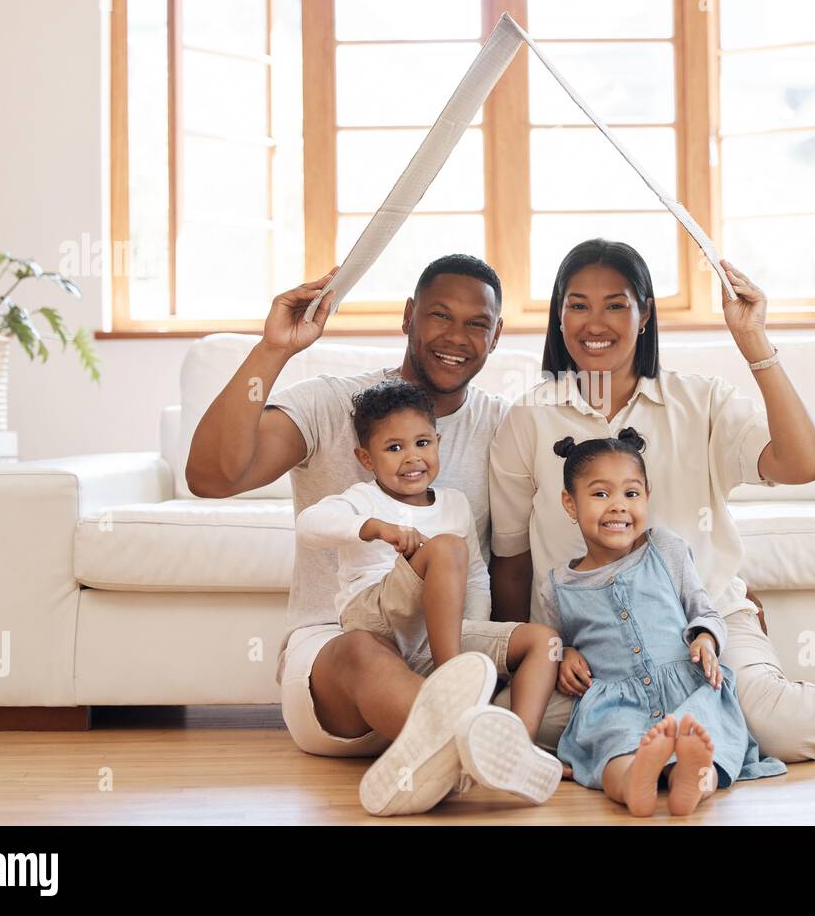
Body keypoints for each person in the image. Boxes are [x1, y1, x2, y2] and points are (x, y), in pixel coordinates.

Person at [489, 238, 815, 764]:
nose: (595, 323)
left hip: (703, 623)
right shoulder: (526, 419)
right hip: (591, 644)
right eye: (578, 305)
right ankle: (679, 742)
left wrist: (754, 340)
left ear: (644, 316)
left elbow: (803, 464)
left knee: (772, 724)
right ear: (559, 314)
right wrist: (537, 654)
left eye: (616, 304)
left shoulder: (700, 400)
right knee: (517, 721)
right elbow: (510, 560)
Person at [186, 253, 561, 815]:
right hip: (340, 669)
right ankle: (491, 749)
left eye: (476, 323)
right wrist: (275, 350)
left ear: (497, 334)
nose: (456, 337)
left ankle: (448, 756)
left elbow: (513, 558)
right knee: (362, 649)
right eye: (439, 315)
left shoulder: (502, 426)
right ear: (407, 316)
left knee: (532, 636)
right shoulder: (334, 404)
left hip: (448, 654)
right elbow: (210, 477)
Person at [295, 380, 561, 813]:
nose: (412, 457)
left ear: (438, 442)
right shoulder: (362, 499)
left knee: (543, 639)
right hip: (379, 621)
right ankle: (451, 679)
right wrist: (373, 527)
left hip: (441, 632)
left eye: (421, 442)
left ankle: (515, 745)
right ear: (366, 458)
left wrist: (473, 630)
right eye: (394, 448)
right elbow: (310, 524)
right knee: (446, 547)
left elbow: (475, 578)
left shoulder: (454, 504)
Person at [544, 427, 785, 817]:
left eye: (631, 493)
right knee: (613, 749)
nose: (619, 506)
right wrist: (565, 654)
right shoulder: (558, 584)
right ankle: (634, 779)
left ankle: (692, 780)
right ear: (570, 504)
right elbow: (554, 638)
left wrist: (705, 638)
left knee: (706, 738)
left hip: (688, 687)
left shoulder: (665, 549)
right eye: (601, 494)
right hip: (615, 702)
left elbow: (703, 609)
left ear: (647, 497)